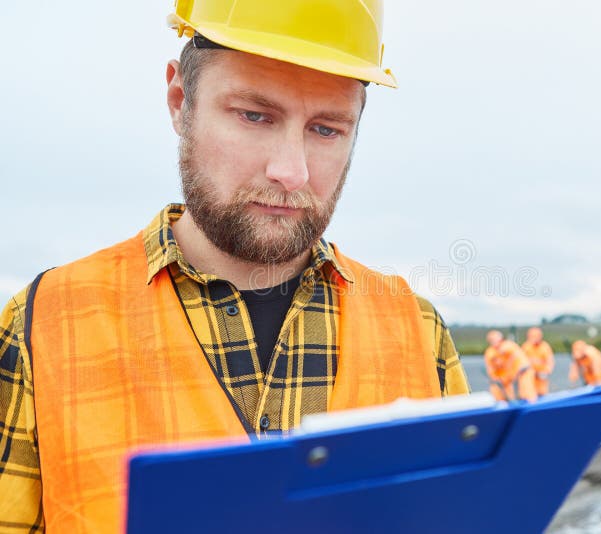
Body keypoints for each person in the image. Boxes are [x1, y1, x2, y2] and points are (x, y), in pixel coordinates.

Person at [0, 2, 470, 531]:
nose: (290, 171)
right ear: (180, 101)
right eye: (254, 116)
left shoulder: (418, 332)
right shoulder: (42, 324)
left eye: (327, 129)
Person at [484, 330, 537, 402]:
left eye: (496, 339)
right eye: (492, 340)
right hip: (504, 378)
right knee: (499, 392)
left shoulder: (508, 346)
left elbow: (515, 361)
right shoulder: (490, 352)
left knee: (526, 392)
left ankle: (530, 405)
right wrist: (496, 378)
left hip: (521, 372)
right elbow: (491, 368)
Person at [521, 327, 555, 395]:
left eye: (537, 336)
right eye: (533, 336)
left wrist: (546, 371)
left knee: (542, 394)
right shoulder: (525, 347)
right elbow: (520, 362)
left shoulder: (545, 347)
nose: (535, 338)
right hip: (529, 378)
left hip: (541, 377)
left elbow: (550, 362)